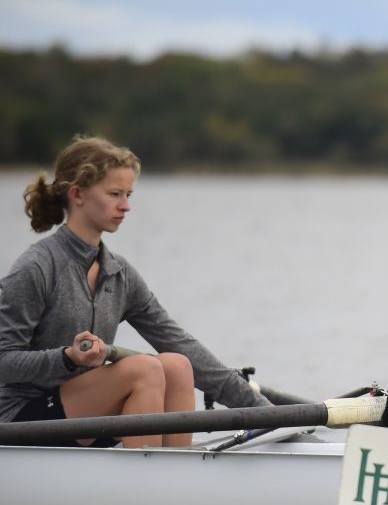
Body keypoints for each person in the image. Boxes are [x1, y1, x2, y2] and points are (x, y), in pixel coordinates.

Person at [0, 135, 269, 448]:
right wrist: (68, 358)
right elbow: (4, 359)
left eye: (128, 194)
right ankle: (147, 481)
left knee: (177, 365)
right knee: (143, 369)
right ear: (78, 194)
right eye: (115, 194)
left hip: (86, 417)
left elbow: (180, 343)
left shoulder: (119, 273)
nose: (126, 206)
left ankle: (171, 477)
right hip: (22, 424)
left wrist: (257, 409)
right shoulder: (37, 266)